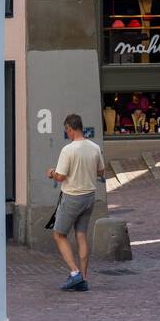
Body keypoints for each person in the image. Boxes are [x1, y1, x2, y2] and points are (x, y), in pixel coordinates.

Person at [46, 113, 105, 292]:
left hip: (72, 197)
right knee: (81, 235)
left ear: (70, 129)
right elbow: (101, 172)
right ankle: (84, 278)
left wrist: (52, 174)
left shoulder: (68, 150)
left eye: (67, 130)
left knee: (59, 234)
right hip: (89, 197)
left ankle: (74, 273)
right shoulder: (94, 148)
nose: (67, 133)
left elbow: (62, 176)